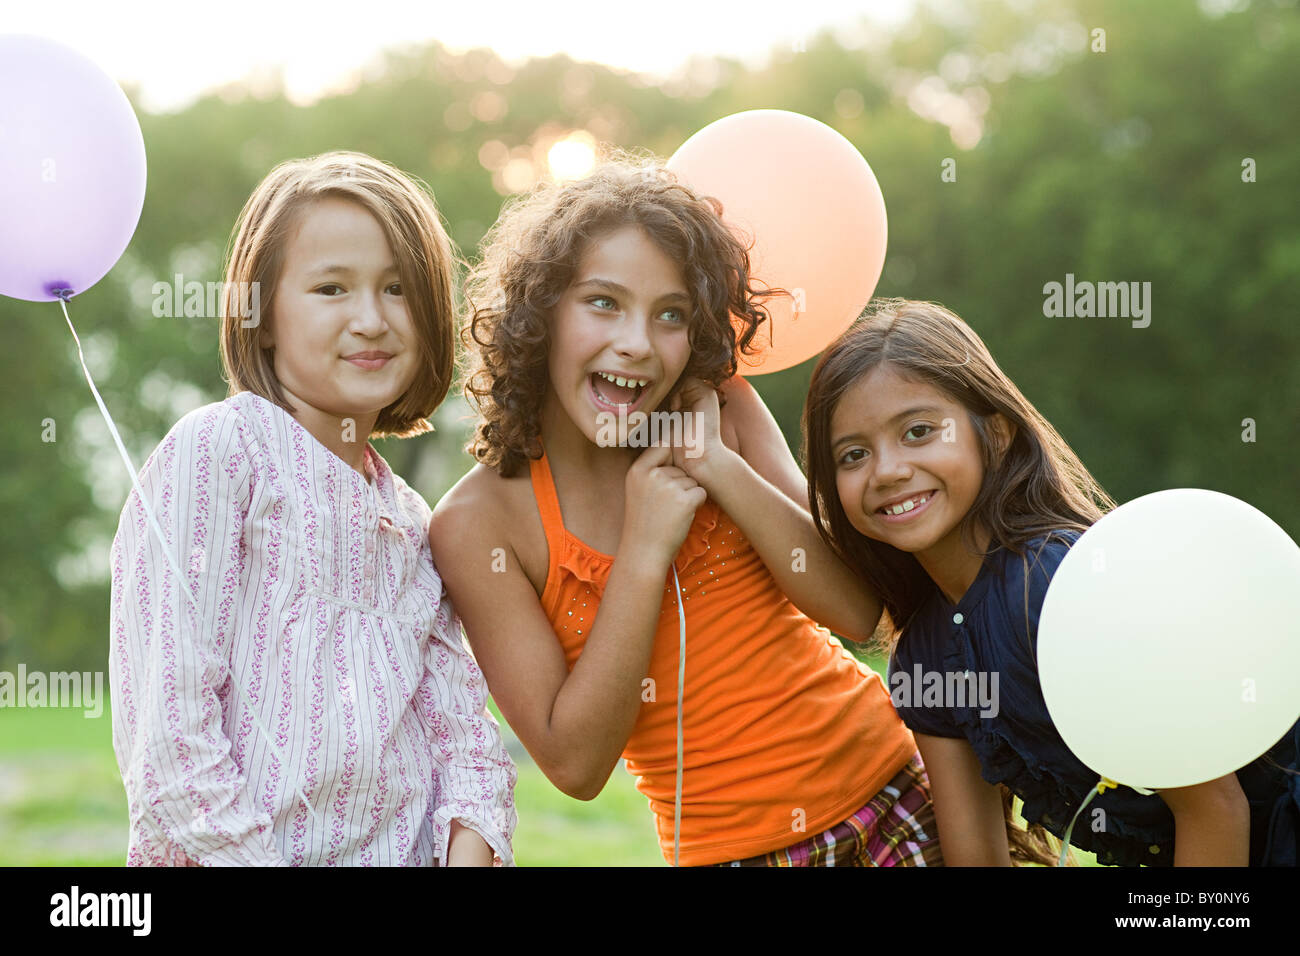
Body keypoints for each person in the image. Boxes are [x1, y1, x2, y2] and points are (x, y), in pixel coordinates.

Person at [431, 155, 941, 867]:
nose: (636, 343)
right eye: (603, 302)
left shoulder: (721, 404)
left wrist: (717, 468)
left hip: (897, 796)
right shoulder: (479, 525)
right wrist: (644, 549)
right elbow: (576, 768)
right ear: (540, 313)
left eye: (670, 314)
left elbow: (859, 612)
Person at [109, 151, 517, 866]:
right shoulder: (220, 454)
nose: (371, 319)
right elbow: (173, 748)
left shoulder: (413, 520)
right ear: (260, 316)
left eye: (397, 289)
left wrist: (471, 847)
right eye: (332, 289)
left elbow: (464, 738)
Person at [801, 297, 1299, 866]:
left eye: (917, 431)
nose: (887, 470)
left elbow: (1214, 808)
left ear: (996, 434)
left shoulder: (1058, 588)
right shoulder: (924, 656)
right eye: (854, 454)